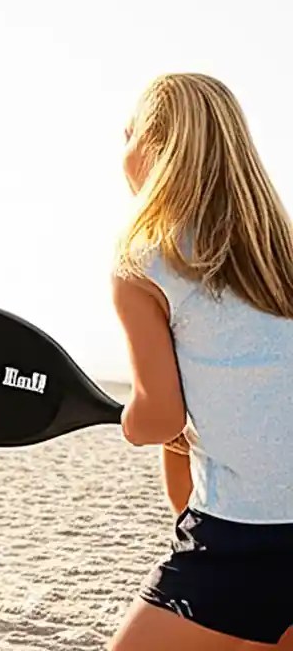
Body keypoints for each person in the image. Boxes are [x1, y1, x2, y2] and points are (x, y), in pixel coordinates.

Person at [108, 72, 293, 650]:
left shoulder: (143, 262)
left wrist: (132, 422)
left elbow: (159, 419)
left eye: (129, 133)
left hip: (245, 534)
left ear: (155, 148)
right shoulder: (283, 253)